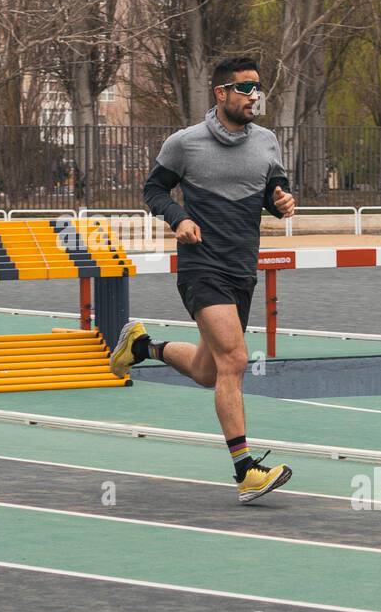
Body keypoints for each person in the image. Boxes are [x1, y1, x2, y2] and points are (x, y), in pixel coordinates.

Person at [110, 56, 296, 503]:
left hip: (241, 269)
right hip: (202, 267)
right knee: (235, 359)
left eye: (258, 88)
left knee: (207, 371)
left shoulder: (267, 141)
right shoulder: (185, 143)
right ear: (221, 92)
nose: (254, 96)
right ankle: (246, 472)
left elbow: (272, 192)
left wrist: (282, 202)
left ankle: (142, 347)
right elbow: (154, 190)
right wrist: (179, 218)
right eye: (245, 88)